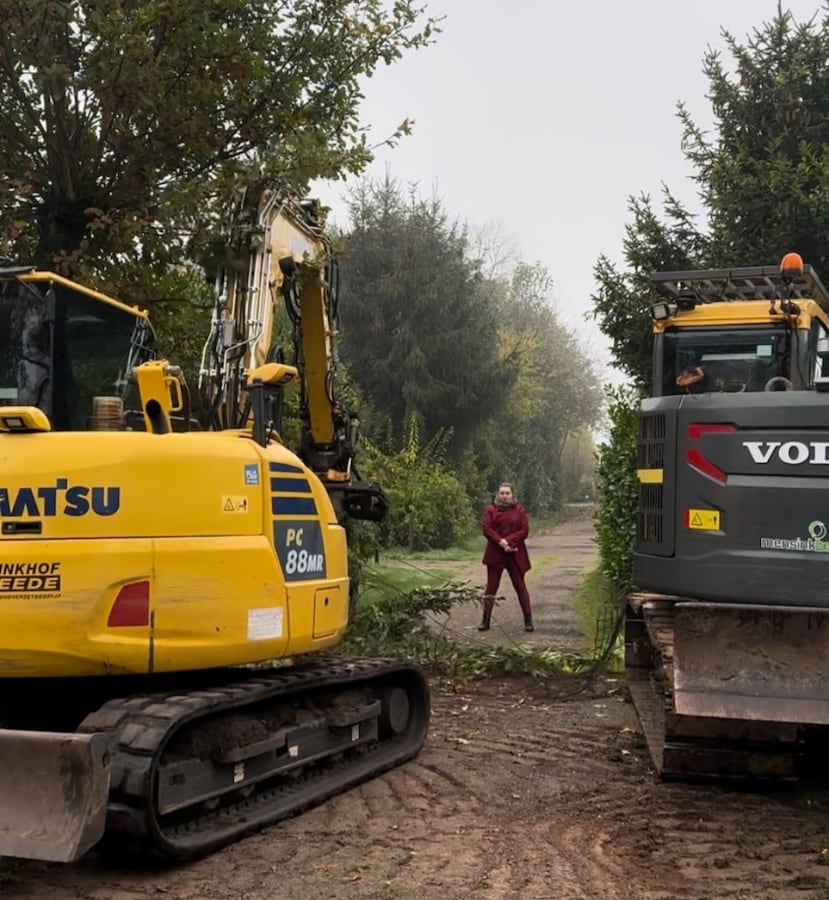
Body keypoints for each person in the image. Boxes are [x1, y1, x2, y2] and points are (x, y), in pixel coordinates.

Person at [478, 483, 534, 633]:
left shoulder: (519, 510)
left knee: (520, 586)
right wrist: (501, 542)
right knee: (491, 588)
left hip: (514, 552)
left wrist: (509, 541)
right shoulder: (491, 510)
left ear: (512, 494)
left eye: (507, 493)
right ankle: (485, 620)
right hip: (496, 553)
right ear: (498, 494)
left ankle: (528, 619)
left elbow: (524, 530)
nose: (504, 496)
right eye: (502, 493)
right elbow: (486, 529)